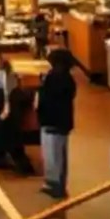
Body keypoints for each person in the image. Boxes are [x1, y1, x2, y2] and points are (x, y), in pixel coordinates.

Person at [0, 56, 34, 174]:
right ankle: (24, 167)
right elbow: (20, 96)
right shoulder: (13, 79)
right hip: (12, 115)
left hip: (0, 114)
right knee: (14, 142)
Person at [36, 48, 78, 198]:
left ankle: (55, 185)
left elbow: (46, 97)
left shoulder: (54, 78)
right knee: (60, 154)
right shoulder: (68, 79)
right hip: (63, 122)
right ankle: (59, 183)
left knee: (52, 155)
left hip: (52, 121)